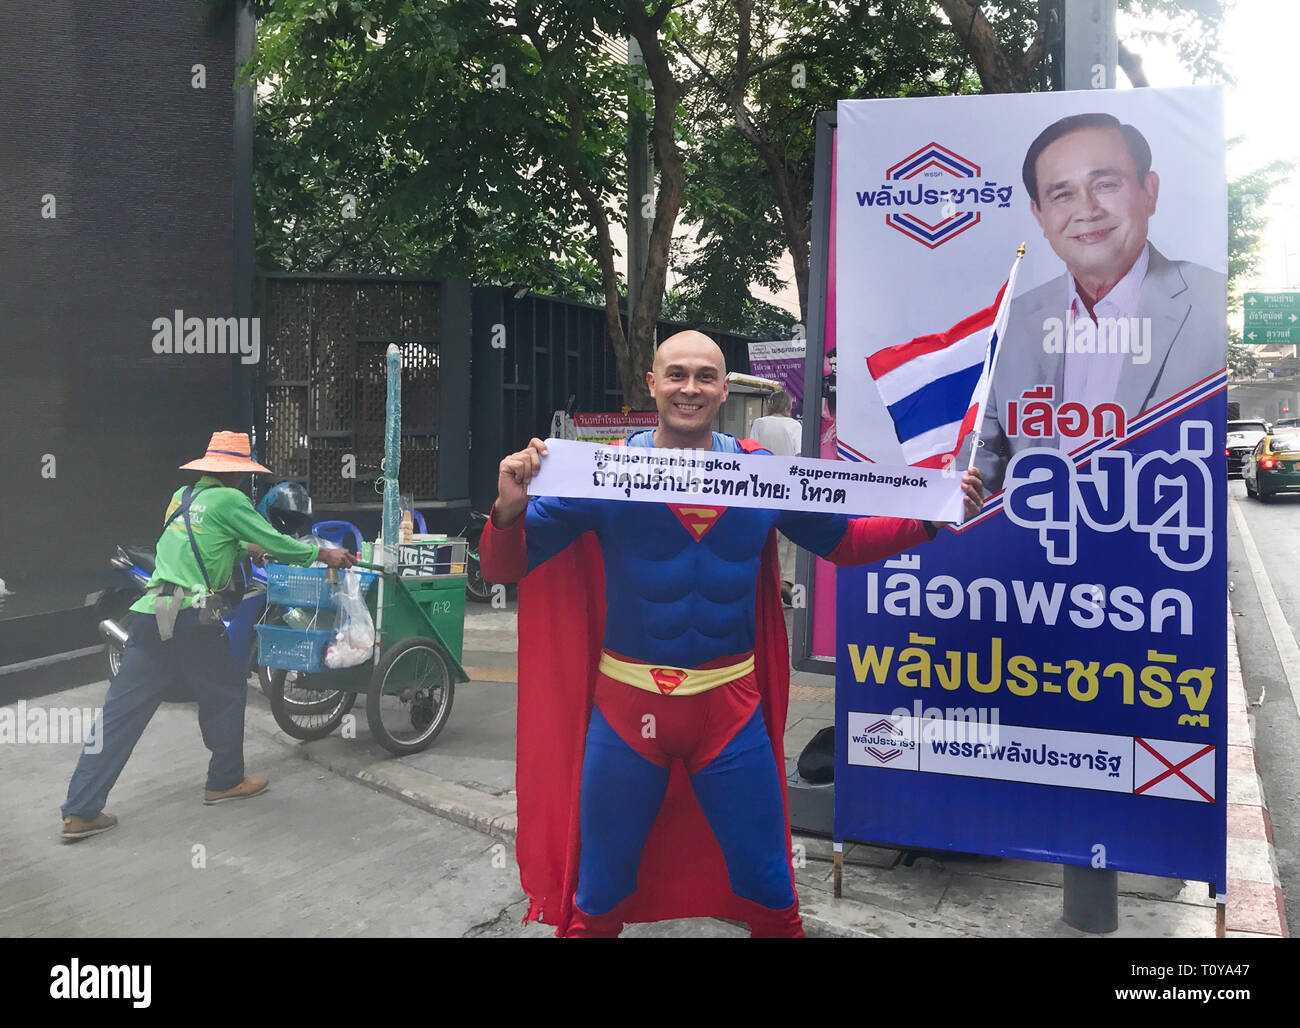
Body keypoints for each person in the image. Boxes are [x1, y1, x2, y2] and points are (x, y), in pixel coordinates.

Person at [481, 331, 983, 937]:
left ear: (724, 388)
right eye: (676, 375)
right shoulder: (605, 471)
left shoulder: (762, 473)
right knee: (600, 893)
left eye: (704, 376)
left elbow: (844, 541)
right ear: (652, 384)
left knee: (771, 888)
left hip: (729, 712)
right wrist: (507, 508)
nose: (688, 388)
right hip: (626, 710)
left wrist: (928, 522)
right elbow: (506, 568)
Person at [60, 431, 356, 843]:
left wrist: (242, 549)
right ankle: (224, 781)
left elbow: (204, 542)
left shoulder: (182, 497)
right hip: (191, 618)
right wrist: (325, 554)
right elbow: (276, 541)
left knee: (120, 715)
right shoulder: (230, 500)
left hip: (151, 614)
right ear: (236, 473)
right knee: (226, 692)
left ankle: (79, 810)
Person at [976, 112, 1227, 493]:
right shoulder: (1011, 323)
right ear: (1039, 216)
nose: (1088, 210)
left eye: (1105, 184)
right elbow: (982, 461)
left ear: (1149, 191)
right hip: (1041, 543)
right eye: (1062, 194)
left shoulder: (1208, 301)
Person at [749, 390, 804, 601]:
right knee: (789, 539)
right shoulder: (794, 425)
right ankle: (785, 582)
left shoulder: (759, 423)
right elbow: (799, 456)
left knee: (768, 534)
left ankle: (767, 581)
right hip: (788, 487)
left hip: (763, 486)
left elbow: (753, 452)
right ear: (788, 406)